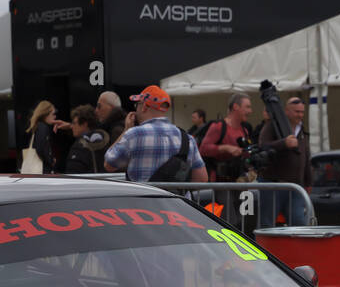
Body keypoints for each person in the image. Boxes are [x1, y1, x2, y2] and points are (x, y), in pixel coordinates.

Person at [103, 85, 207, 184]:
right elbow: (202, 179)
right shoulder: (187, 138)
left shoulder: (134, 135)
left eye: (137, 105)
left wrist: (125, 130)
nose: (136, 109)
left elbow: (109, 164)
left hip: (143, 201)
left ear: (144, 107)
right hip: (176, 201)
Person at [199, 92, 256, 231]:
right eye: (247, 107)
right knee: (229, 221)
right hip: (221, 182)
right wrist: (225, 148)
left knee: (240, 220)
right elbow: (203, 149)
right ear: (236, 107)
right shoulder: (219, 127)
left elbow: (246, 152)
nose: (250, 111)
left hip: (239, 182)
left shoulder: (245, 129)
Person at [257, 95, 313, 227]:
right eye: (297, 111)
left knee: (299, 222)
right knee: (267, 223)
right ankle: (262, 247)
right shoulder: (272, 125)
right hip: (273, 184)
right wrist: (284, 143)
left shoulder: (302, 132)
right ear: (287, 111)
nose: (300, 115)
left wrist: (308, 182)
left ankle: (298, 248)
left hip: (295, 187)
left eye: (302, 112)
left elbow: (306, 159)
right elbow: (262, 146)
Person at [61, 104, 109, 174]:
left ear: (84, 124)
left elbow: (73, 173)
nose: (71, 127)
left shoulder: (80, 146)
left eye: (74, 123)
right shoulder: (106, 140)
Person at [22, 101, 61, 174]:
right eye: (53, 114)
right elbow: (41, 148)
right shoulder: (42, 127)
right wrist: (51, 160)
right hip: (42, 171)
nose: (55, 117)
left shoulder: (36, 126)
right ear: (45, 114)